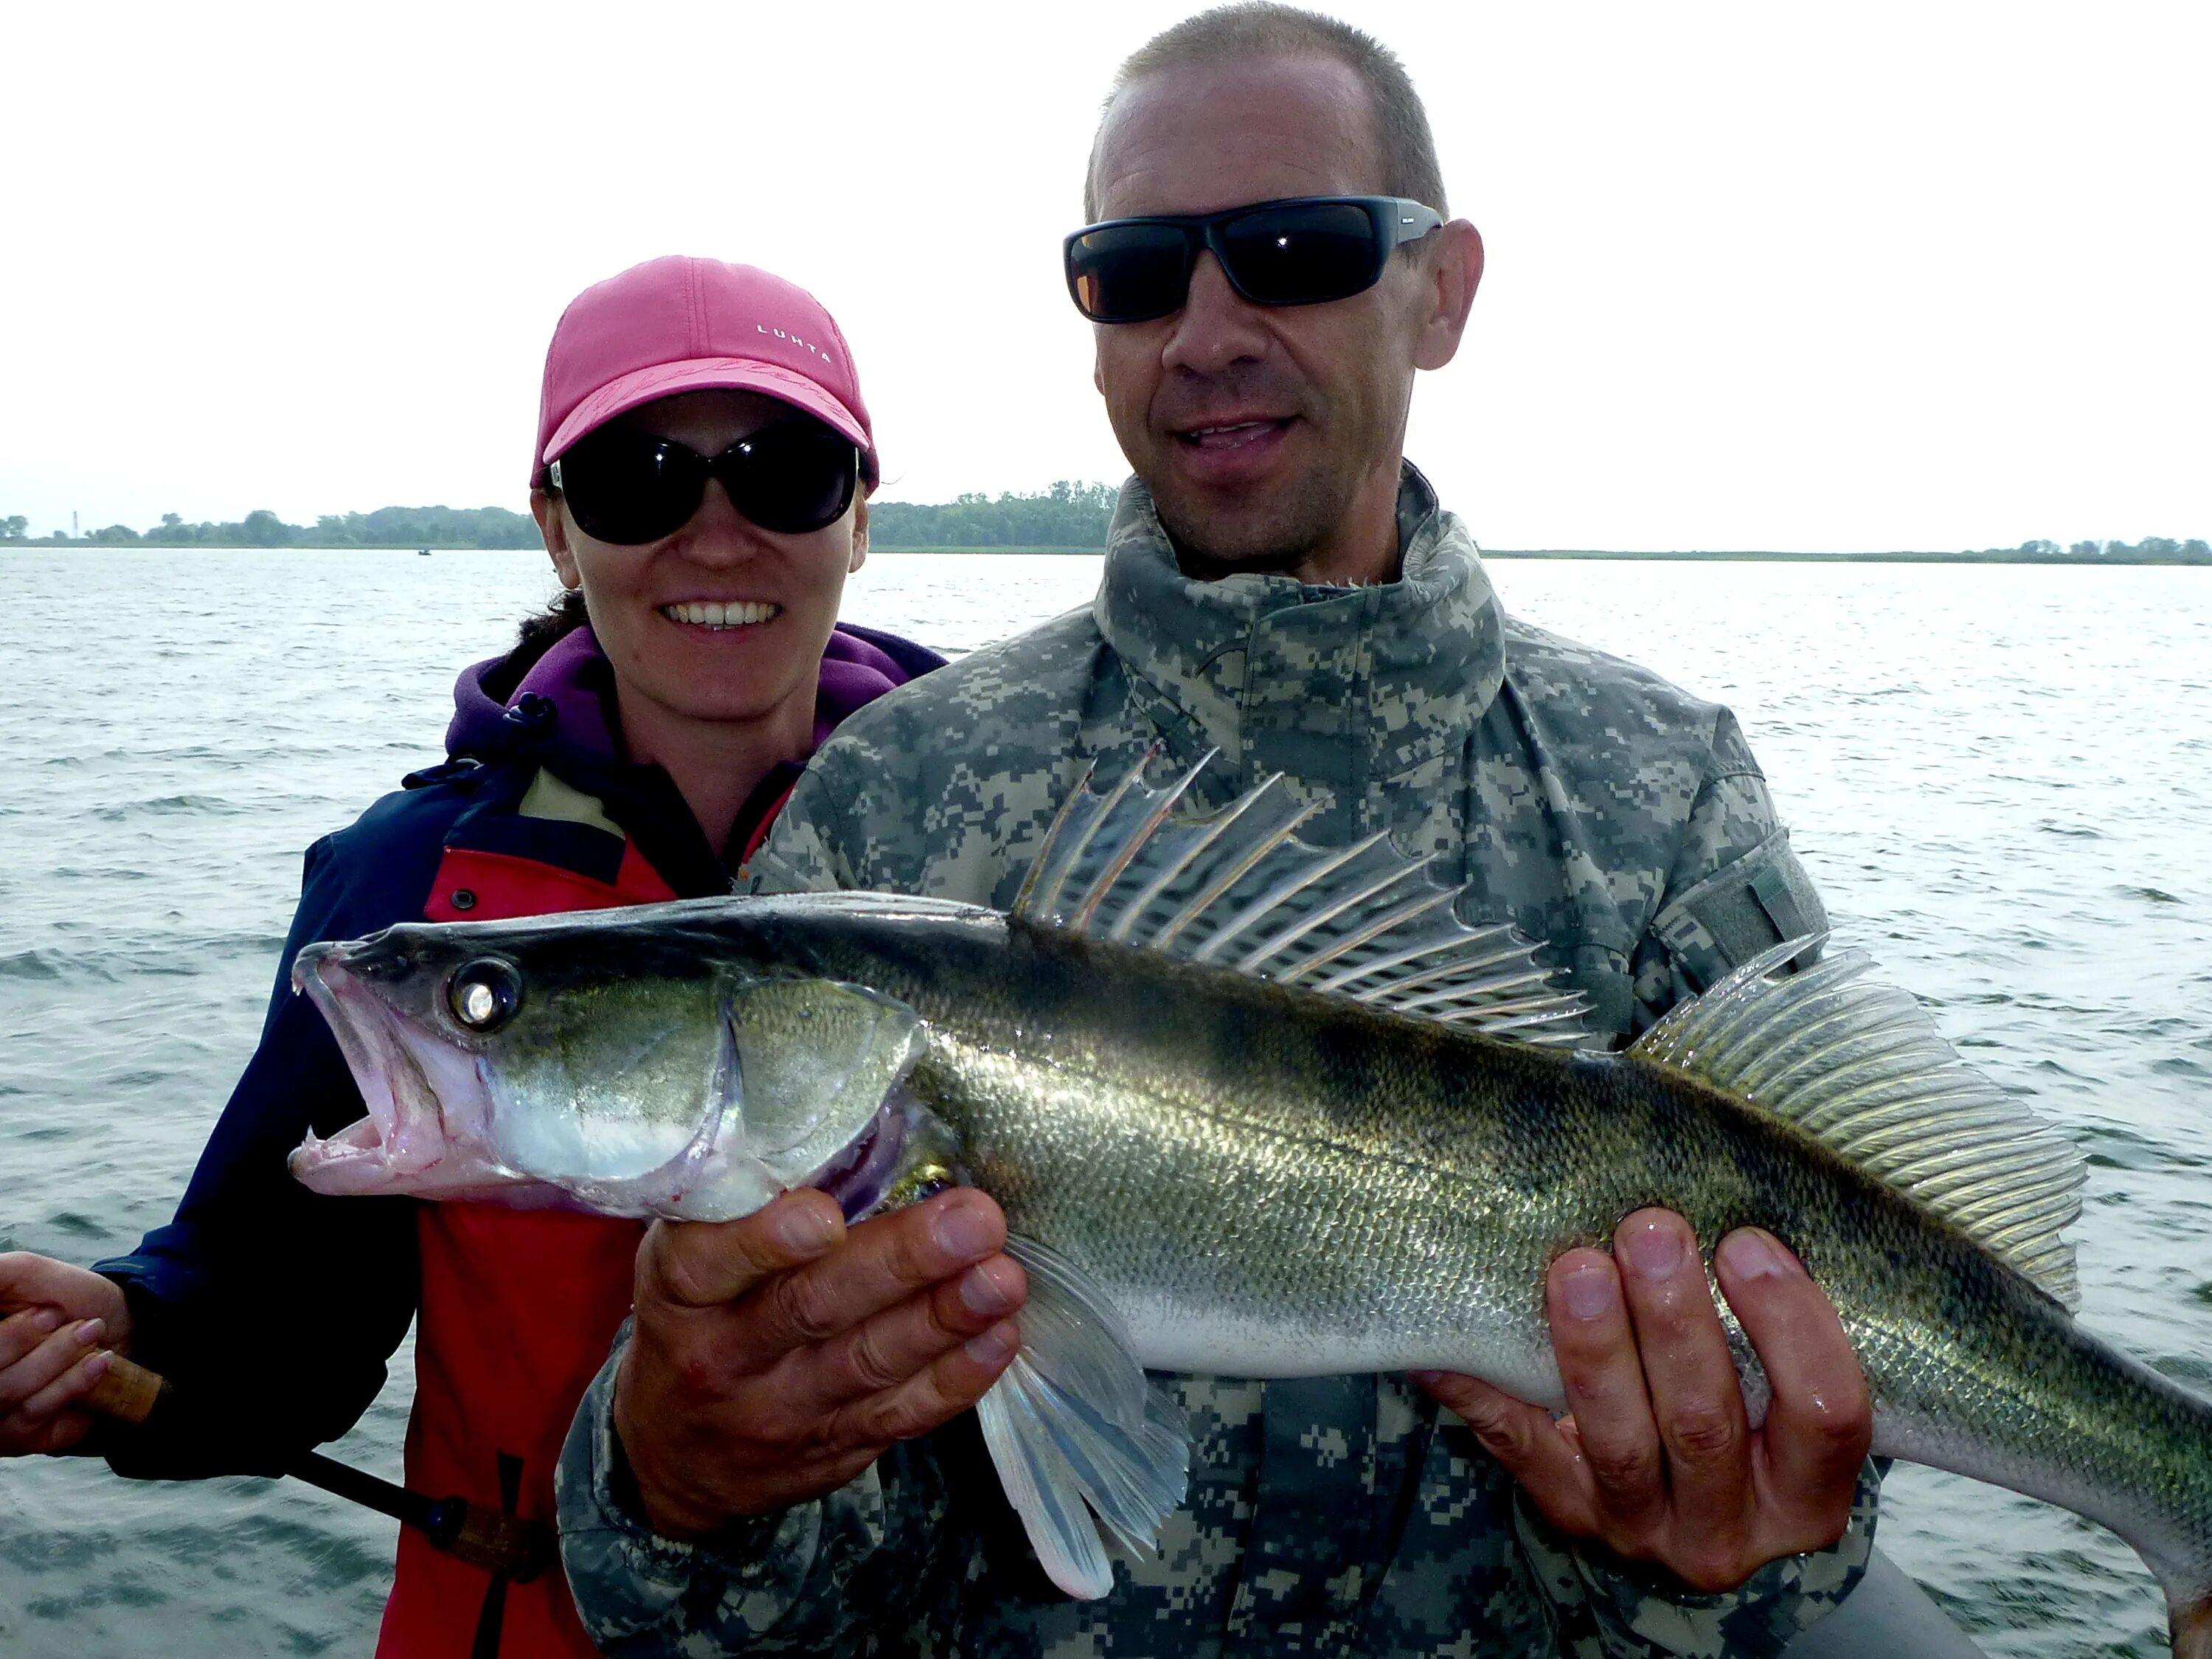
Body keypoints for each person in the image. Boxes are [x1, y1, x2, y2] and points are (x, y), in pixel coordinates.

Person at [549, 10, 1901, 1659]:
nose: (1206, 333)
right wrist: (685, 1487)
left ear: (1444, 290)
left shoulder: (1667, 793)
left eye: (1291, 250)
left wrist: (1703, 1560)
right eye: (1133, 275)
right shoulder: (895, 804)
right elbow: (769, 1618)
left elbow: (1798, 1542)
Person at [0, 253, 942, 1658]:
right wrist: (125, 1339)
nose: (717, 532)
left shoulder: (1001, 852)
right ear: (559, 532)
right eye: (637, 479)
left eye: (783, 468)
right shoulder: (407, 889)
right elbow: (285, 1322)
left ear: (861, 511)